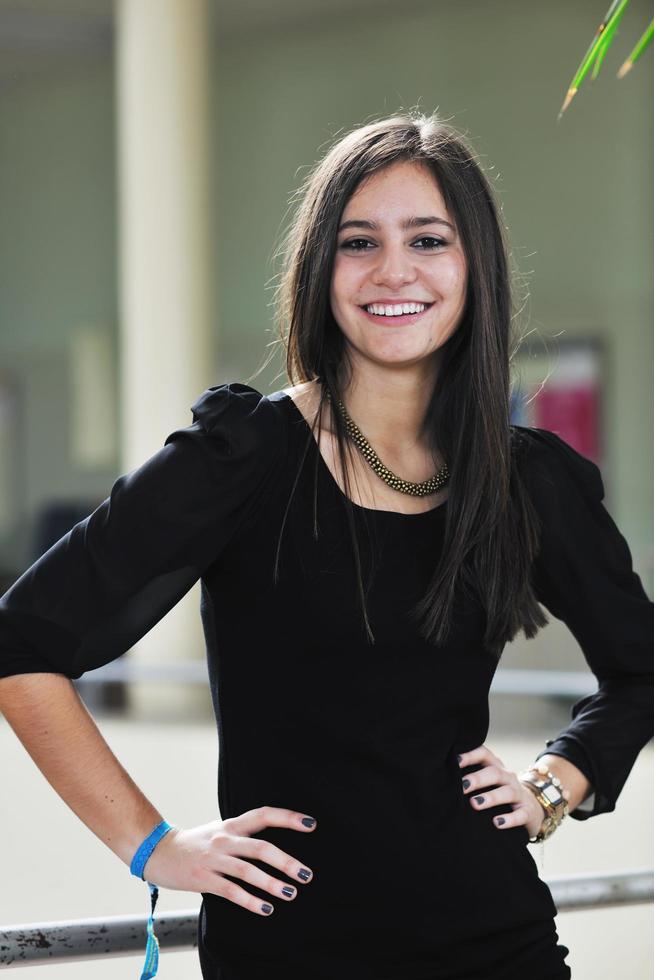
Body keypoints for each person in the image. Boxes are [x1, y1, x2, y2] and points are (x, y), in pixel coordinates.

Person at [0, 112, 653, 980]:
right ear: (321, 267)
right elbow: (22, 643)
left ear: (474, 267)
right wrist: (152, 844)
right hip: (287, 950)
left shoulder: (525, 479)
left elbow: (641, 668)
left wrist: (556, 783)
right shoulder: (240, 458)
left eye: (428, 239)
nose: (394, 271)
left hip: (495, 943)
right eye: (358, 242)